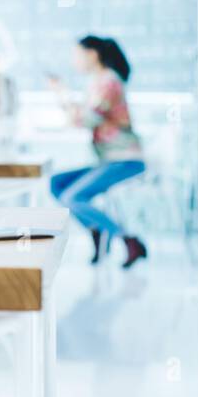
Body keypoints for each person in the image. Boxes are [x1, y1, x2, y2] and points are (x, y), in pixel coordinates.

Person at [48, 35, 147, 268]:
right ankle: (97, 230)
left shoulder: (109, 82)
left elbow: (87, 119)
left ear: (92, 54)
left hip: (125, 161)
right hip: (108, 160)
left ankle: (127, 239)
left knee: (73, 197)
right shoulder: (97, 82)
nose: (74, 61)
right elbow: (80, 118)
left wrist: (62, 93)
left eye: (77, 55)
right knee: (56, 184)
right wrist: (61, 94)